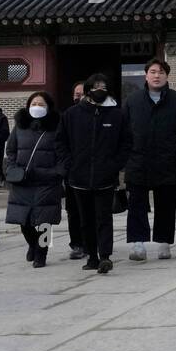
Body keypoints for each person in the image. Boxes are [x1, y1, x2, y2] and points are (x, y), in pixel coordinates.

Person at [123, 58, 176, 261]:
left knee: (165, 203)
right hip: (138, 161)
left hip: (168, 161)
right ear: (146, 75)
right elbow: (123, 133)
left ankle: (164, 242)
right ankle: (138, 244)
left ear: (167, 76)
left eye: (161, 72)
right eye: (153, 72)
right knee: (136, 204)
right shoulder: (132, 101)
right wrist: (123, 158)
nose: (157, 76)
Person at [57, 73, 132, 274]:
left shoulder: (117, 115)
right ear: (89, 88)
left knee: (104, 217)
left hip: (105, 176)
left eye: (104, 86)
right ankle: (92, 256)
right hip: (78, 177)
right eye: (96, 85)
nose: (100, 89)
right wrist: (69, 164)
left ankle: (105, 256)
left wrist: (115, 164)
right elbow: (61, 142)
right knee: (85, 219)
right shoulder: (72, 114)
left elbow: (126, 143)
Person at [5, 91, 67, 268]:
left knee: (44, 221)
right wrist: (11, 168)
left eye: (41, 104)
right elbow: (11, 150)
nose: (37, 107)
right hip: (22, 181)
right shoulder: (20, 126)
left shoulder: (57, 127)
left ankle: (42, 253)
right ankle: (32, 244)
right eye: (34, 104)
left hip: (47, 181)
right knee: (24, 221)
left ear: (49, 107)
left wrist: (57, 172)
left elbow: (63, 154)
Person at [62, 81, 87, 260]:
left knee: (92, 211)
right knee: (73, 210)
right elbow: (60, 143)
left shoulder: (100, 115)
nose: (78, 97)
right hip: (73, 172)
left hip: (94, 172)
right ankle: (77, 243)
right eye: (76, 94)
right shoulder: (67, 116)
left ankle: (93, 242)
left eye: (82, 93)